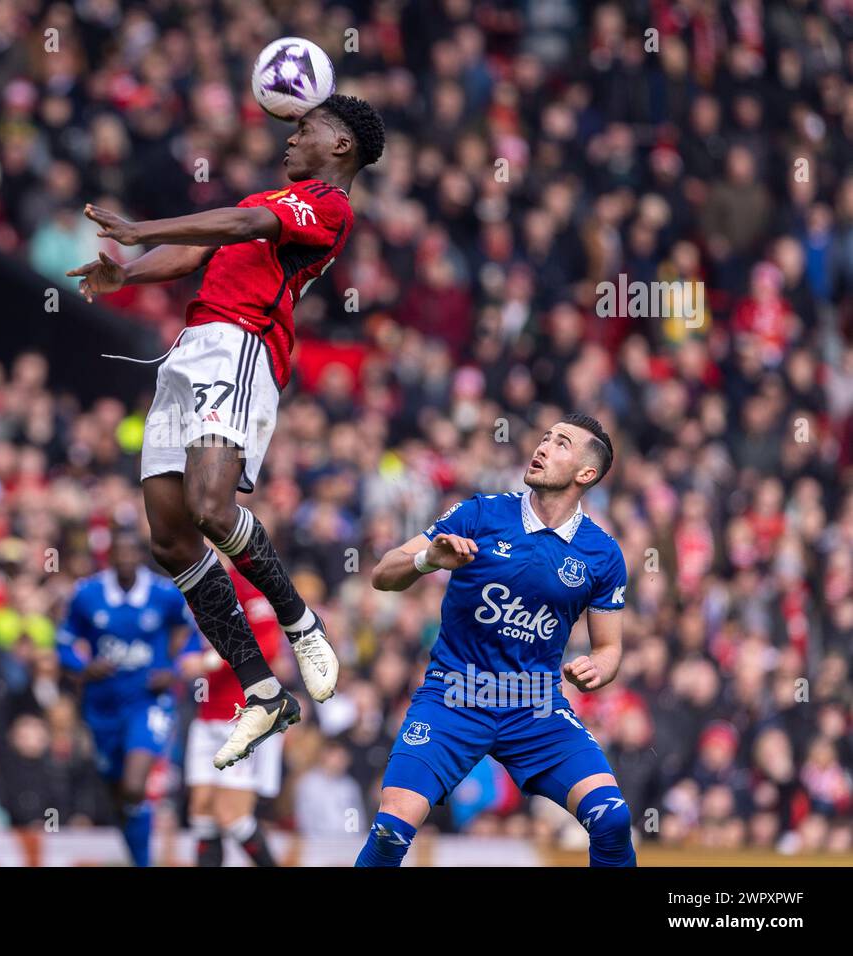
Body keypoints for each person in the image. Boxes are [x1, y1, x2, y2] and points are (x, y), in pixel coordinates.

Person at [66, 95, 387, 770]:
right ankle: (264, 692)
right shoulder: (267, 201)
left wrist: (138, 227)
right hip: (190, 349)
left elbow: (238, 223)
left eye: (306, 129)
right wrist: (127, 270)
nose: (291, 138)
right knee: (168, 537)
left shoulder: (328, 204)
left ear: (341, 148)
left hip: (241, 346)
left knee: (212, 508)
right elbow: (192, 258)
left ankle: (300, 623)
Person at [356, 415, 636, 867]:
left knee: (612, 819)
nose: (543, 447)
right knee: (391, 829)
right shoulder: (480, 514)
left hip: (536, 708)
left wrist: (600, 668)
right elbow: (383, 574)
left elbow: (609, 648)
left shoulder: (602, 553)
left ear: (586, 474)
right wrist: (429, 559)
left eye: (561, 444)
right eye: (544, 438)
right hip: (453, 698)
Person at [57, 529, 202, 866]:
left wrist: (176, 669)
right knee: (118, 792)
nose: (124, 558)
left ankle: (145, 856)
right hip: (102, 706)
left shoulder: (164, 594)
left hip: (148, 701)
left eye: (130, 552)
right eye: (117, 552)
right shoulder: (87, 594)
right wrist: (83, 666)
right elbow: (64, 641)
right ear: (109, 556)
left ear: (141, 556)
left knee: (135, 785)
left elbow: (193, 636)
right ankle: (140, 858)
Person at [181, 565, 286, 866]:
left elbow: (267, 646)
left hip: (243, 715)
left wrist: (209, 662)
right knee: (201, 812)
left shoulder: (250, 586)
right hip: (207, 714)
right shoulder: (194, 584)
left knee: (231, 815)